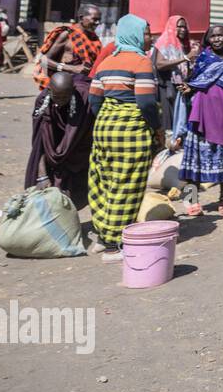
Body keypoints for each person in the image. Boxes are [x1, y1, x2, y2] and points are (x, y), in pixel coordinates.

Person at [87, 15, 159, 262]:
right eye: (147, 34)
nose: (150, 38)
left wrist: (108, 118)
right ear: (137, 35)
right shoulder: (141, 62)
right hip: (130, 131)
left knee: (103, 181)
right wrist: (156, 127)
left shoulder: (106, 62)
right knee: (126, 184)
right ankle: (113, 245)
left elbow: (94, 99)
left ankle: (101, 235)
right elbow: (147, 102)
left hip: (104, 128)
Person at [179, 25, 223, 215]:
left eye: (221, 35)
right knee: (196, 157)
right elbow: (195, 81)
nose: (217, 39)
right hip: (203, 114)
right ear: (207, 40)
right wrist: (189, 88)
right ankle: (190, 200)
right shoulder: (203, 58)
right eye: (213, 36)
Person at [25, 72, 94, 209]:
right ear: (49, 90)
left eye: (65, 97)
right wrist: (43, 175)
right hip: (54, 153)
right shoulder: (43, 101)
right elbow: (40, 144)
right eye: (57, 97)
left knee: (77, 190)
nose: (61, 101)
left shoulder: (85, 99)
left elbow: (82, 134)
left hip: (78, 149)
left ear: (73, 91)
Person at [37, 4, 104, 94]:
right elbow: (43, 60)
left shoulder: (94, 39)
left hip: (87, 88)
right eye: (95, 19)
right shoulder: (67, 35)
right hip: (64, 89)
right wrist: (72, 68)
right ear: (81, 18)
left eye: (99, 20)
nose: (98, 23)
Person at [150, 15, 192, 138]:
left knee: (179, 120)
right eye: (179, 27)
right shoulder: (163, 42)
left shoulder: (182, 43)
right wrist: (184, 58)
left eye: (184, 27)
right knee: (169, 121)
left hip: (180, 87)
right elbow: (160, 64)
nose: (183, 30)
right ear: (171, 27)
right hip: (167, 86)